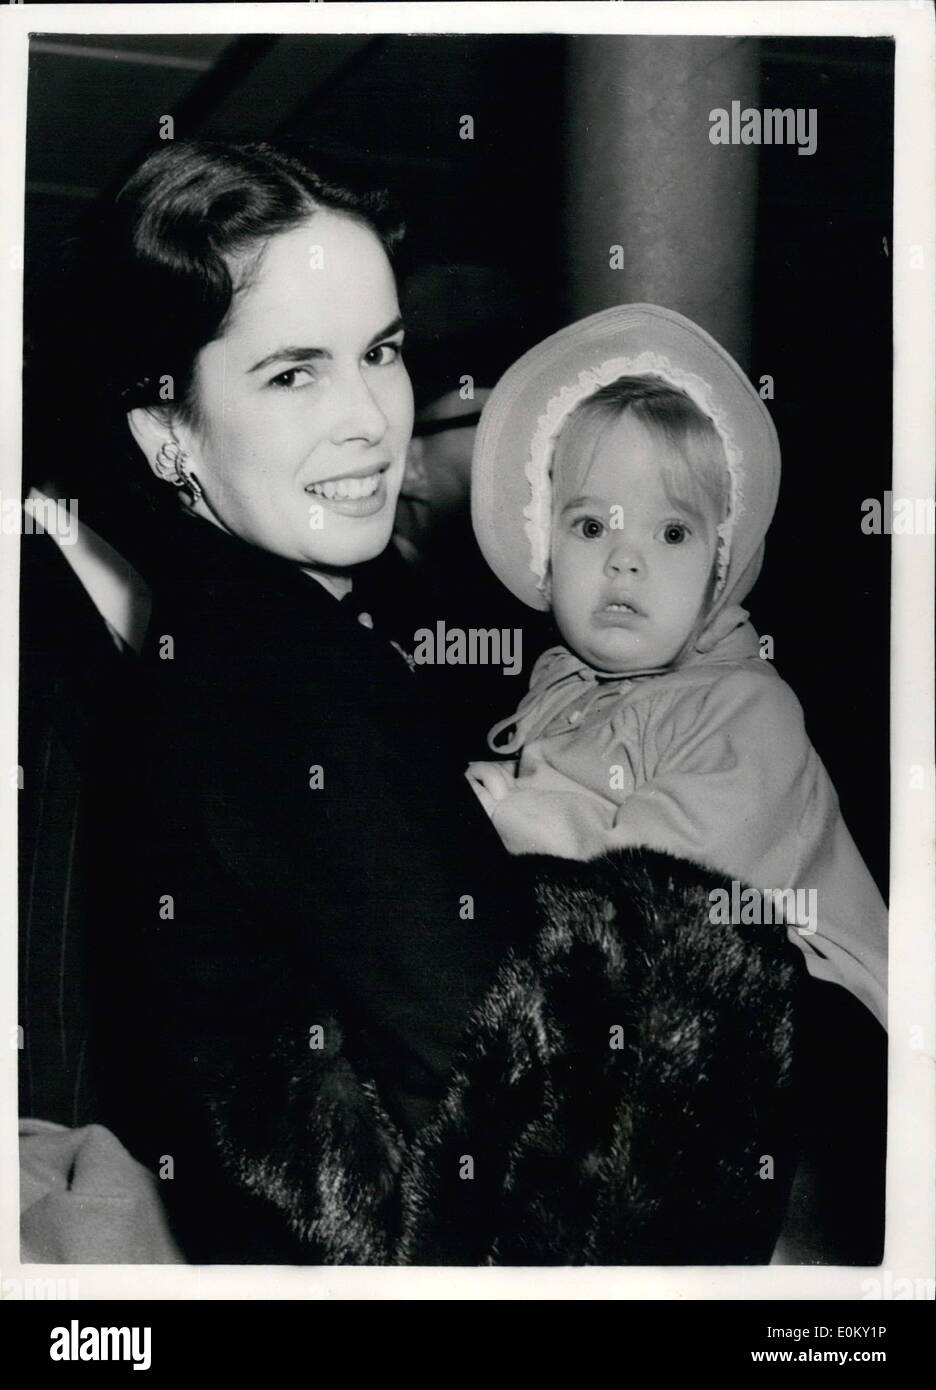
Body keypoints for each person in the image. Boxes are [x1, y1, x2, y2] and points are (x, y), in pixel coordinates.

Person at [34, 145, 804, 1265]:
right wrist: (713, 976)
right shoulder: (285, 667)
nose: (369, 420)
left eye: (381, 353)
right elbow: (527, 1145)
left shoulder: (216, 638)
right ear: (168, 432)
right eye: (293, 372)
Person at [468, 304, 887, 1032]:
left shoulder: (747, 707)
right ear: (544, 548)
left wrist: (512, 808)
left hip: (814, 1028)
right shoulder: (561, 686)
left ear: (719, 563)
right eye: (592, 526)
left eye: (671, 532)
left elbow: (668, 878)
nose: (625, 559)